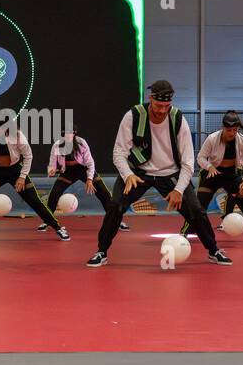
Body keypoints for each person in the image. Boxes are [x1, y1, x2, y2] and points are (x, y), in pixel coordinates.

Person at [85, 80, 232, 268]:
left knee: (195, 211)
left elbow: (188, 162)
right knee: (115, 205)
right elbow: (119, 152)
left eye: (166, 106)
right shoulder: (134, 116)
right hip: (138, 174)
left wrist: (178, 190)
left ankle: (214, 250)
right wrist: (128, 174)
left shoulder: (178, 119)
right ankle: (101, 251)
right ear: (150, 98)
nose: (162, 110)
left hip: (170, 174)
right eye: (158, 105)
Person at [180, 110, 243, 243]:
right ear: (223, 127)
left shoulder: (241, 140)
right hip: (211, 174)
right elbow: (200, 157)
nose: (232, 133)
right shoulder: (212, 138)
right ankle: (185, 233)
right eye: (229, 130)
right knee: (199, 206)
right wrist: (210, 166)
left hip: (231, 175)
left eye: (235, 130)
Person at [0, 123, 67, 239]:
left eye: (1, 127)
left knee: (34, 201)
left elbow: (28, 156)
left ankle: (58, 228)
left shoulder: (18, 135)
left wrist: (22, 177)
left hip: (15, 172)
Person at [42, 124, 123, 232]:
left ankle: (115, 221)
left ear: (75, 133)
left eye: (70, 133)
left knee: (103, 192)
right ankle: (48, 221)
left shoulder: (81, 143)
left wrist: (89, 179)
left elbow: (90, 162)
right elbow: (52, 163)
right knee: (54, 194)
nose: (67, 136)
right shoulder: (57, 145)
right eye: (64, 134)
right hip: (68, 172)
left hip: (83, 169)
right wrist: (51, 170)